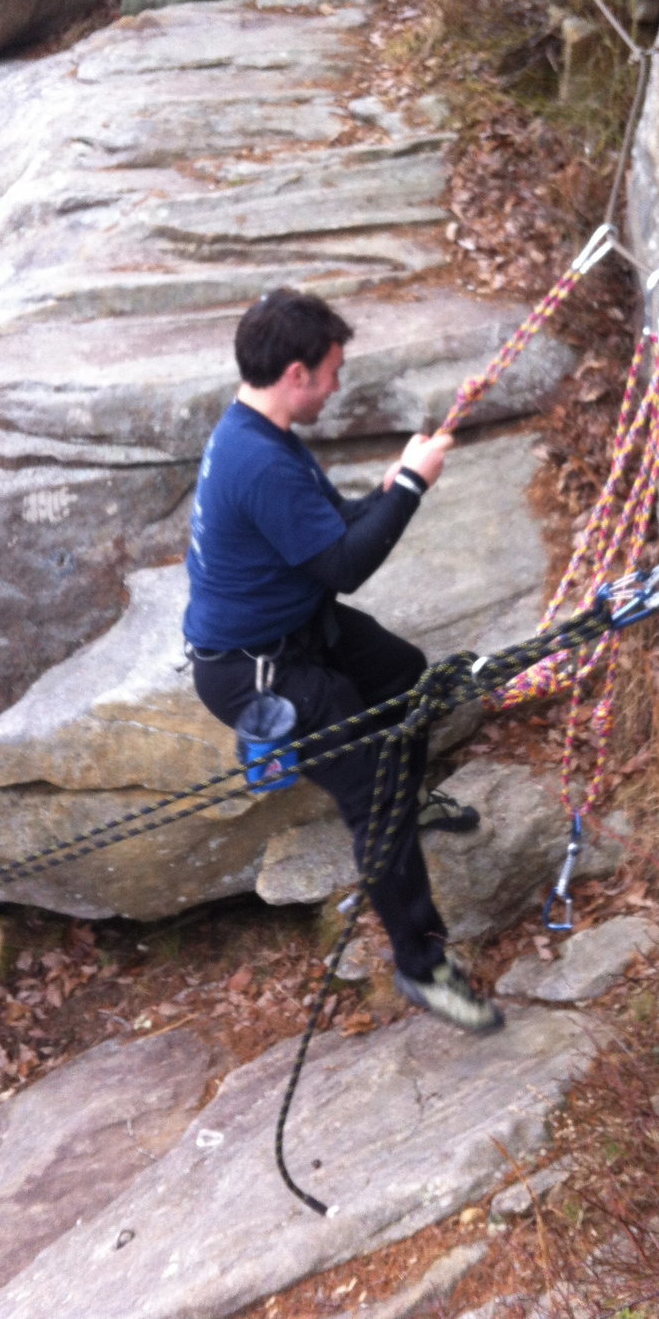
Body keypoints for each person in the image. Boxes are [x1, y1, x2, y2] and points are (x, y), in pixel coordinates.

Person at [184, 287, 504, 1034]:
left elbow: (324, 530)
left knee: (402, 674)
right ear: (296, 373)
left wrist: (388, 487)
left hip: (295, 631)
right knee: (375, 795)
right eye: (330, 371)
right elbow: (344, 566)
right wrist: (415, 487)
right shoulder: (259, 459)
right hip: (257, 669)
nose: (336, 385)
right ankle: (423, 968)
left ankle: (412, 799)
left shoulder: (257, 433)